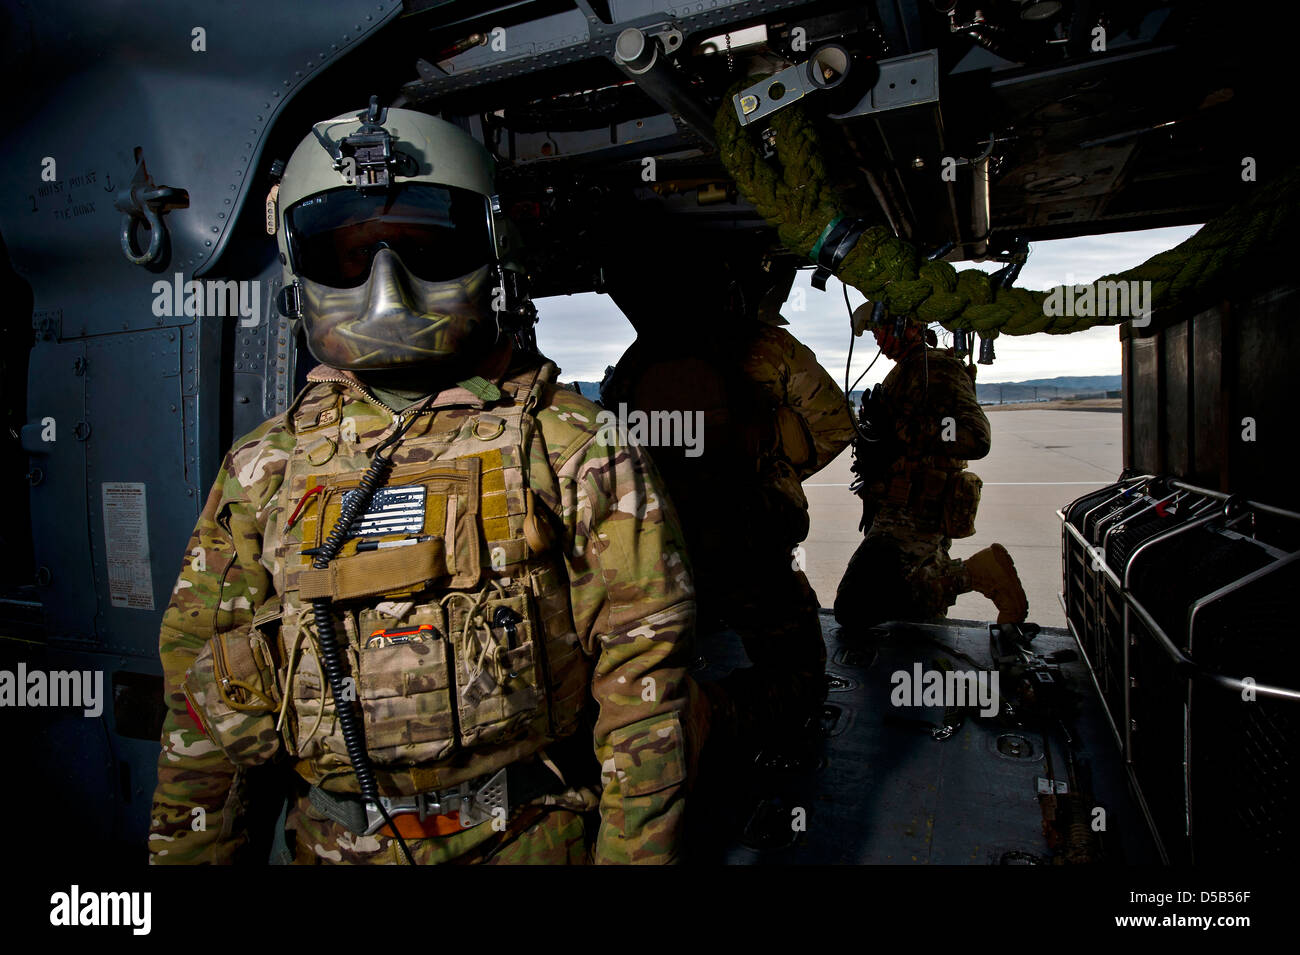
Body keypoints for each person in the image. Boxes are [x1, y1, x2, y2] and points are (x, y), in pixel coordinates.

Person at [149, 100, 695, 865]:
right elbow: (201, 707)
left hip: (527, 840)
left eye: (423, 247)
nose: (385, 282)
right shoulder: (263, 466)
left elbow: (644, 693)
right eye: (348, 254)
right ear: (298, 268)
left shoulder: (574, 446)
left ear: (493, 252)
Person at [600, 221, 853, 755]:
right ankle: (711, 716)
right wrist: (774, 473)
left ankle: (664, 722)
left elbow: (620, 451)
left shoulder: (637, 359)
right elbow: (834, 427)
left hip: (666, 549)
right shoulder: (768, 345)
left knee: (669, 654)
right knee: (798, 671)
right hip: (749, 536)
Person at [834, 319, 1028, 629]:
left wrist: (900, 429)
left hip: (916, 512)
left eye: (880, 329)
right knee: (911, 623)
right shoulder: (907, 369)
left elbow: (975, 436)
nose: (877, 338)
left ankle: (977, 573)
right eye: (873, 332)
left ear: (909, 326)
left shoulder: (937, 368)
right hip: (896, 507)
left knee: (854, 607)